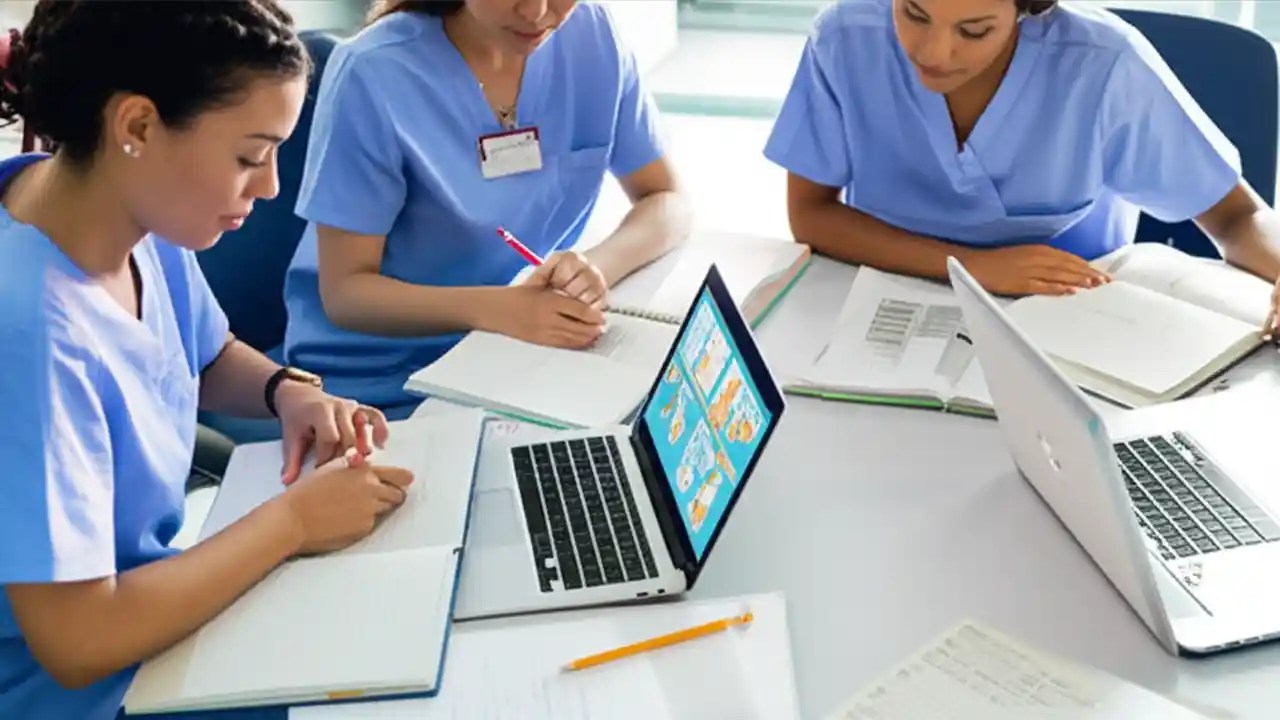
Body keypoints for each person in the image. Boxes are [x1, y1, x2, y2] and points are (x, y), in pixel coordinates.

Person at [0, 3, 417, 718]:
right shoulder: (29, 334)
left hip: (149, 610)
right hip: (80, 682)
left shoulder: (116, 205)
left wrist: (288, 391)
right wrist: (293, 524)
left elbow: (202, 353)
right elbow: (76, 642)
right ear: (136, 126)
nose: (271, 188)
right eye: (250, 157)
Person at [281, 0, 692, 417]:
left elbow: (667, 201)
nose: (536, 12)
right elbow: (345, 295)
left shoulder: (592, 34)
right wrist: (500, 309)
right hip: (381, 380)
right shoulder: (372, 71)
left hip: (518, 348)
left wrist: (591, 269)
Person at [766, 0, 1280, 331]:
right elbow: (812, 214)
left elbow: (1237, 216)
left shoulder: (1102, 63)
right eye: (914, 13)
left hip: (1071, 325)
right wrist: (975, 269)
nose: (934, 52)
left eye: (974, 30)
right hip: (886, 311)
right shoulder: (844, 37)